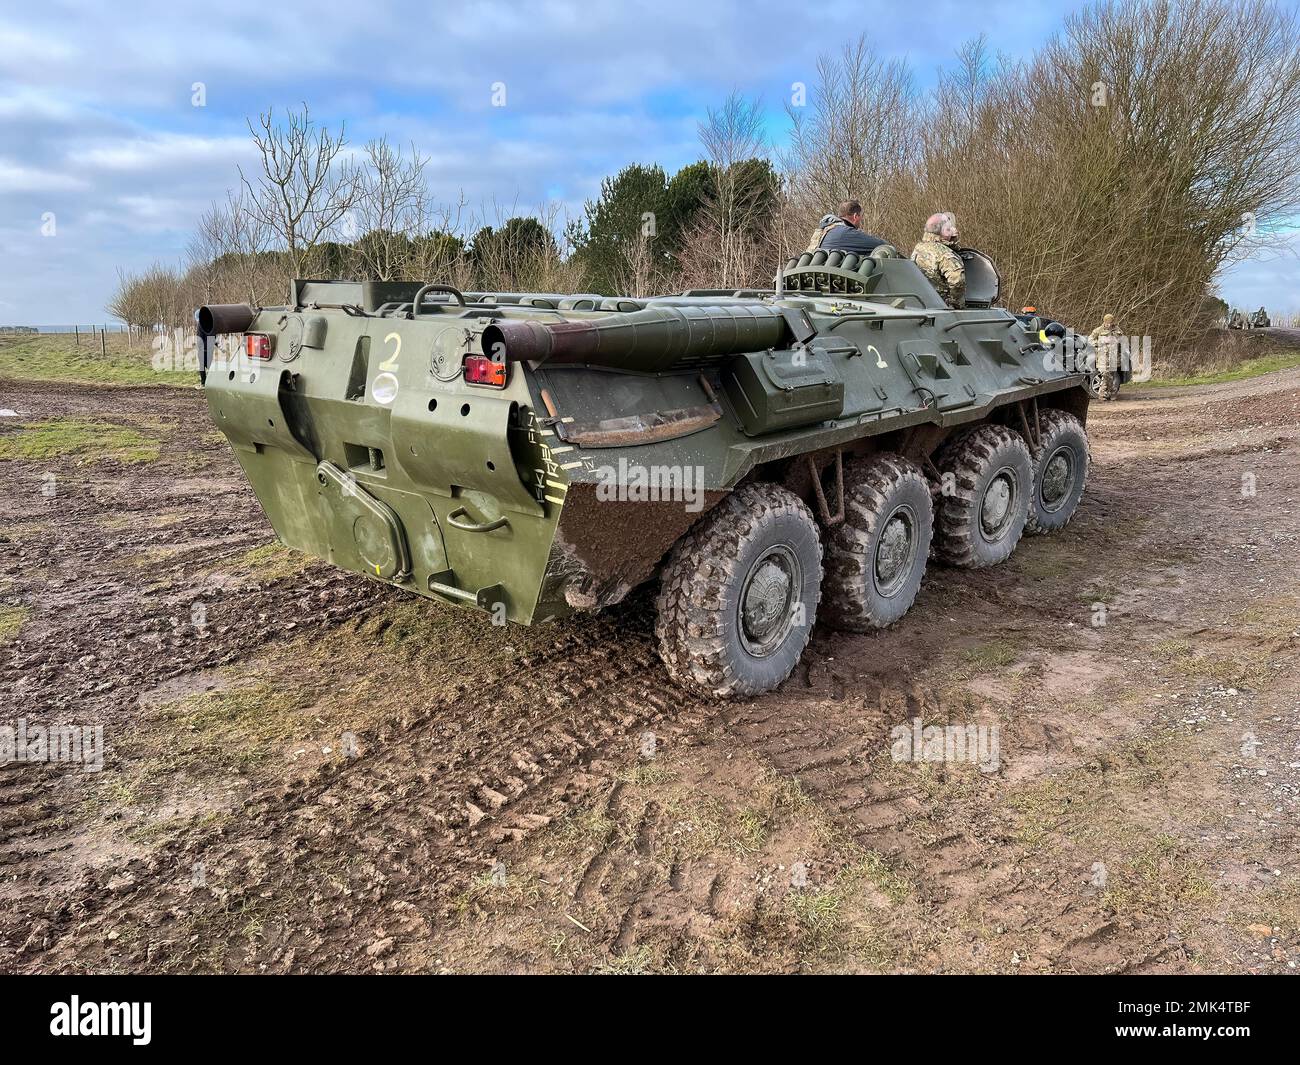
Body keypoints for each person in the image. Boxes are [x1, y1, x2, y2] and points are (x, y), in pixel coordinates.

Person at [910, 212, 965, 308]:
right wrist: (954, 303)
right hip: (941, 305)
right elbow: (957, 280)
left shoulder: (918, 248)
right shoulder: (945, 254)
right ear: (943, 231)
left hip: (919, 302)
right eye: (948, 228)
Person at [806, 199, 886, 256]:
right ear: (855, 216)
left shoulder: (825, 230)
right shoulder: (846, 233)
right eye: (860, 216)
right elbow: (882, 245)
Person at [1088, 313, 1125, 401]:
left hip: (1113, 356)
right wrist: (1099, 343)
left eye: (1110, 323)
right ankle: (1102, 393)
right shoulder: (1099, 330)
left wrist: (1115, 340)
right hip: (1102, 356)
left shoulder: (1117, 329)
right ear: (1104, 322)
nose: (1109, 325)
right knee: (1105, 374)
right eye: (1107, 323)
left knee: (1112, 375)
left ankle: (1111, 393)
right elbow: (1090, 339)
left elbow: (1122, 339)